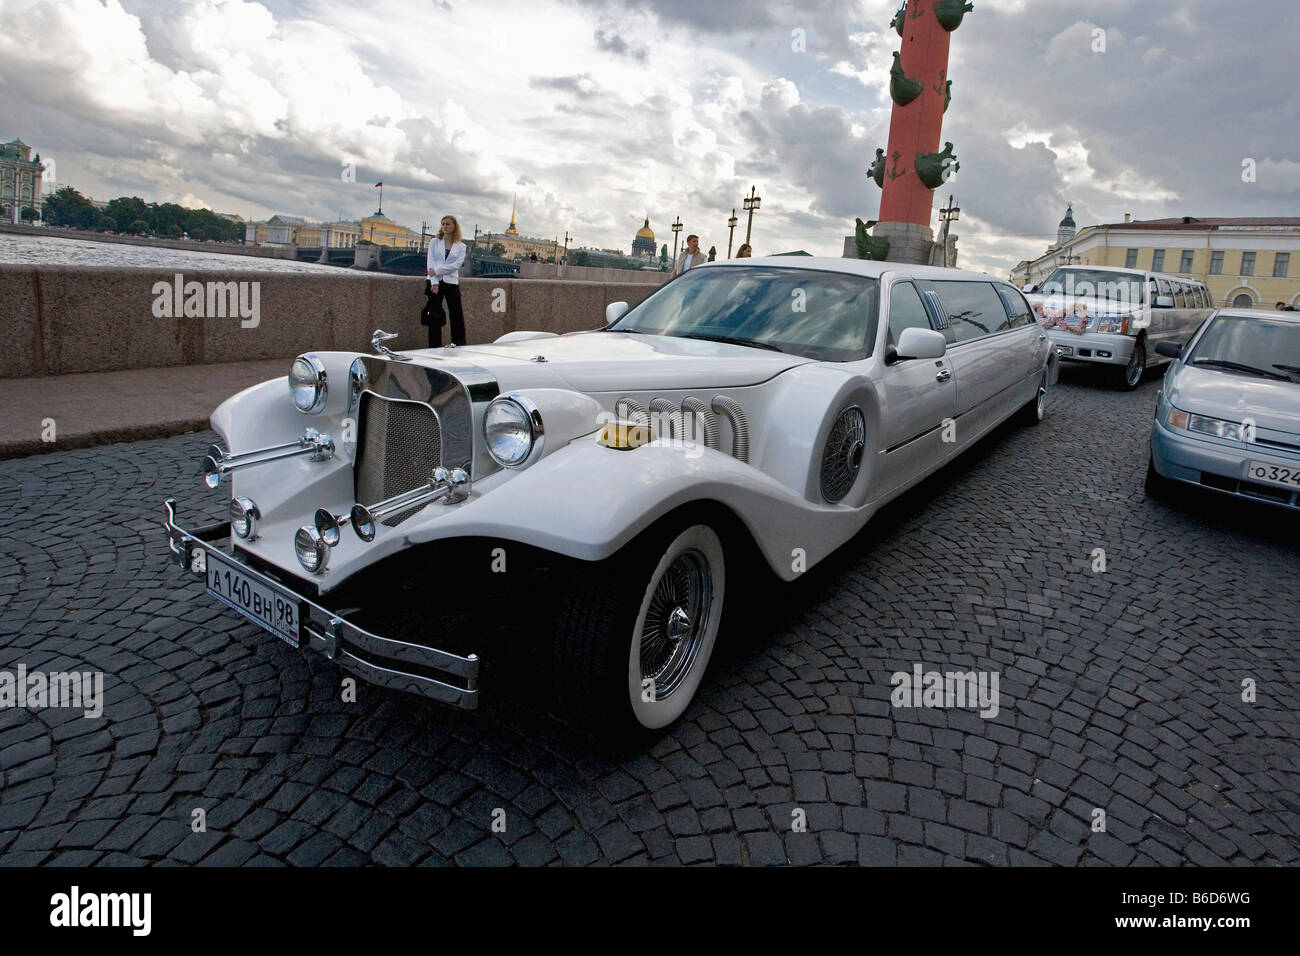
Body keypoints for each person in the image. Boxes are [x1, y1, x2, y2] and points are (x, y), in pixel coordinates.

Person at [425, 215, 466, 347]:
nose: (445, 226)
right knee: (434, 315)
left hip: (451, 282)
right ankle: (434, 346)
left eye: (448, 224)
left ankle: (458, 344)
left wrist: (436, 271)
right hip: (434, 282)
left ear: (454, 227)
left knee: (456, 315)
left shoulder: (461, 246)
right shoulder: (434, 242)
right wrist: (435, 281)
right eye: (443, 224)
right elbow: (430, 262)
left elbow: (456, 265)